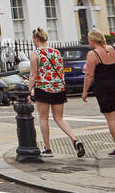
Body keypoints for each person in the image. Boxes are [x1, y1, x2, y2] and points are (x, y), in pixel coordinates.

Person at [80, 29, 115, 158]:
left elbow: (89, 75)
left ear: (93, 40)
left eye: (89, 39)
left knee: (111, 118)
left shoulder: (93, 54)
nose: (88, 42)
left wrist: (84, 92)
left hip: (105, 89)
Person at [27, 28, 84, 157]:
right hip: (59, 88)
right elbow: (60, 71)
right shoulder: (57, 52)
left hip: (43, 88)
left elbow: (33, 75)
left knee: (43, 118)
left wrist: (28, 91)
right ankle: (75, 139)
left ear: (36, 39)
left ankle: (48, 149)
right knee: (59, 118)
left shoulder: (35, 54)